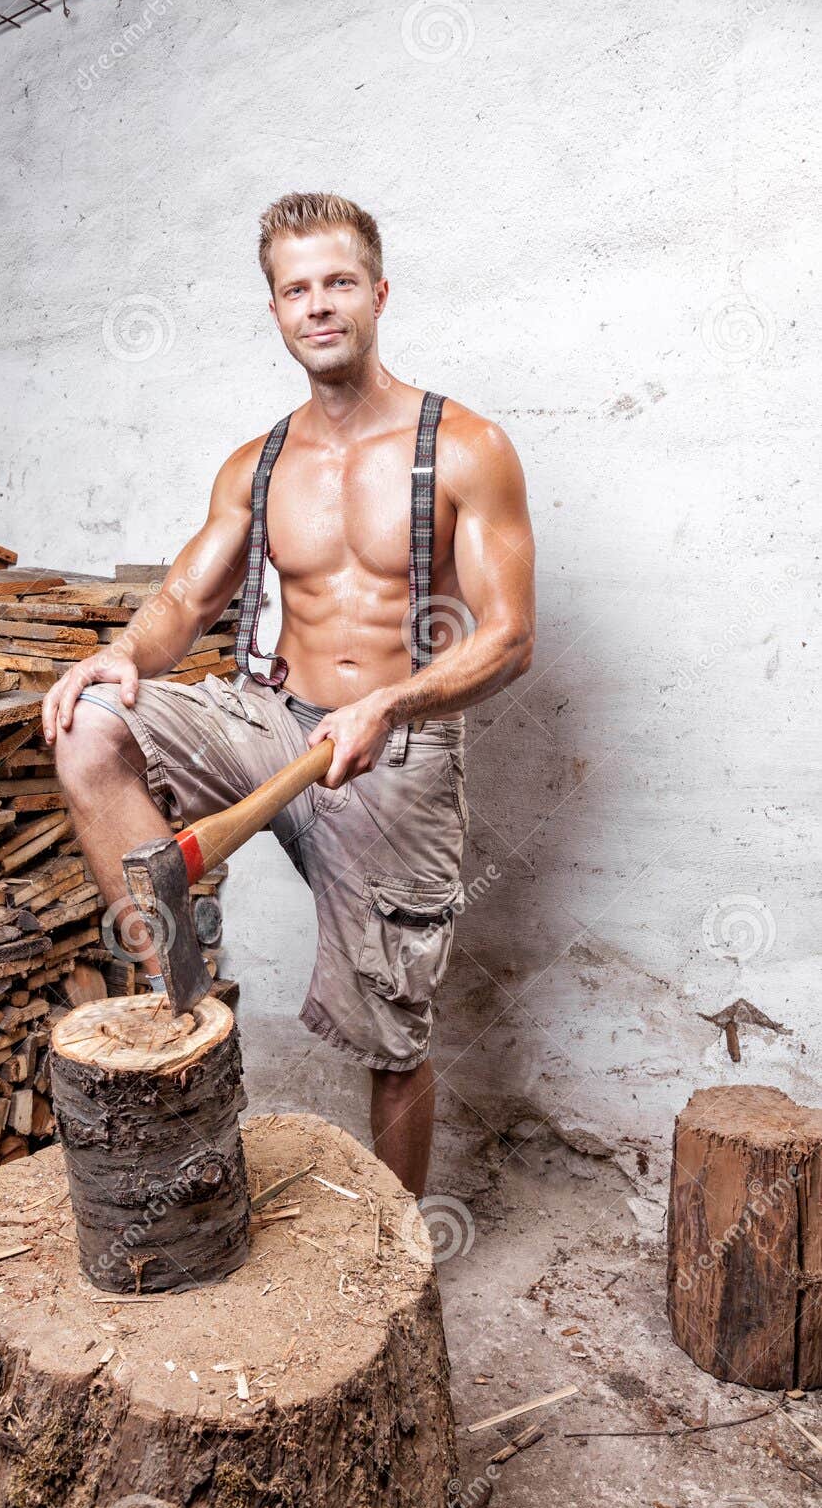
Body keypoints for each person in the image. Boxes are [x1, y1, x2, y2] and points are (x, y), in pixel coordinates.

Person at [43, 191, 535, 1197]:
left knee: (388, 1030)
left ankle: (398, 1252)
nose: (317, 305)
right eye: (294, 289)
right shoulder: (257, 465)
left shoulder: (466, 447)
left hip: (395, 750)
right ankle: (178, 982)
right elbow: (183, 597)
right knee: (91, 727)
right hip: (270, 720)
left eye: (337, 283)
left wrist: (393, 704)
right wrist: (122, 651)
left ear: (378, 294)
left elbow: (509, 636)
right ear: (274, 310)